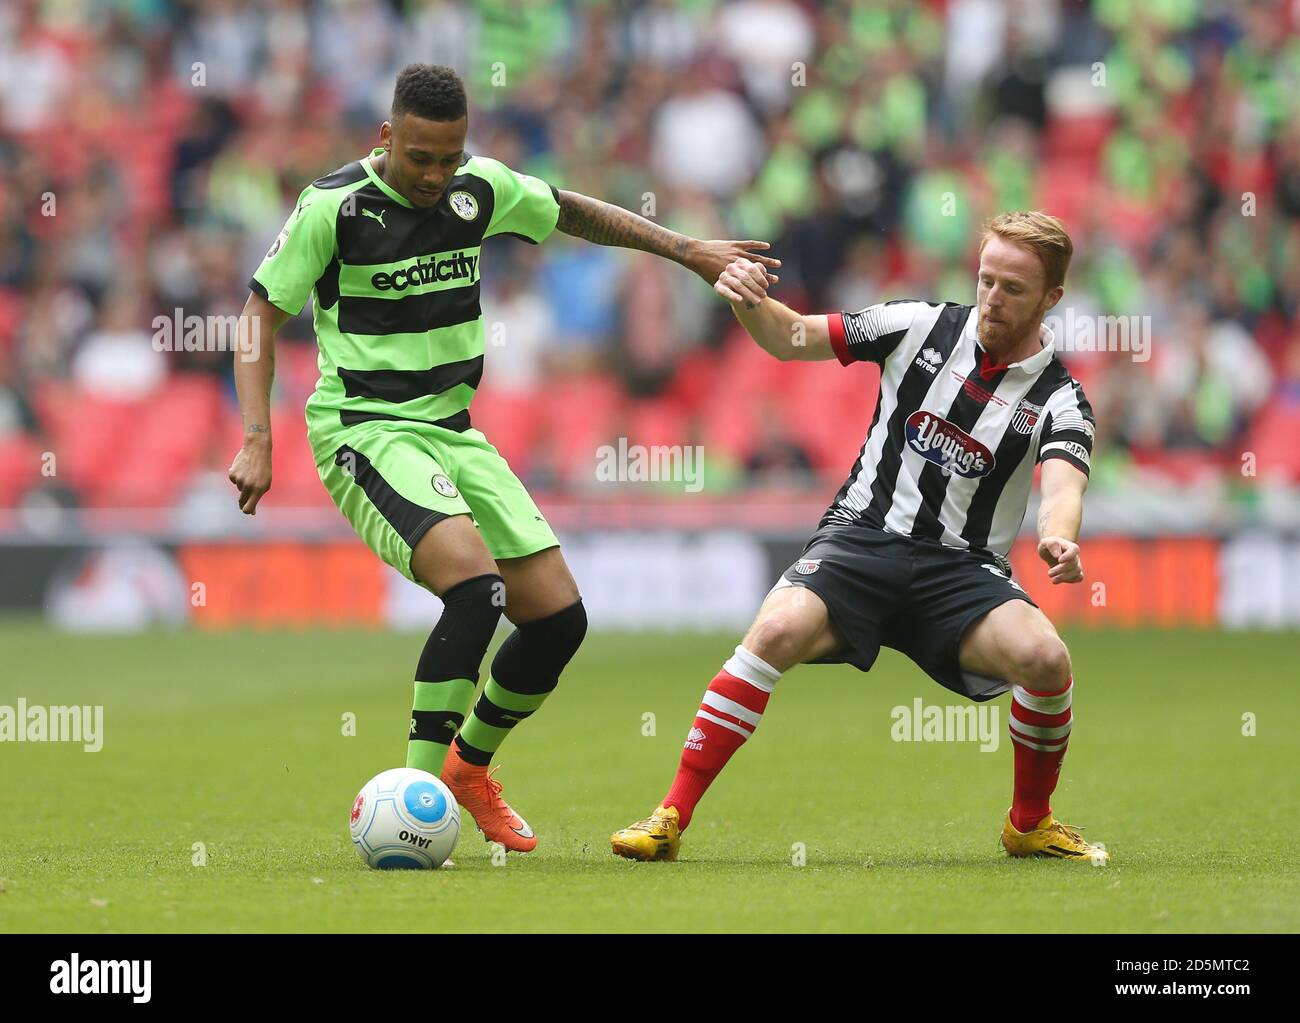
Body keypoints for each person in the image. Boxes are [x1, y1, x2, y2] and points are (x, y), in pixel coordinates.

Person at [227, 64, 779, 854]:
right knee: (477, 590)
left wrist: (689, 250)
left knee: (558, 618)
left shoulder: (476, 190)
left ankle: (464, 769)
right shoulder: (333, 208)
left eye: (447, 157)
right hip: (364, 428)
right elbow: (257, 315)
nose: (433, 174)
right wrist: (256, 435)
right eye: (418, 156)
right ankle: (416, 807)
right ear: (387, 137)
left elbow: (574, 212)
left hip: (453, 428)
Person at [611, 210, 1108, 864]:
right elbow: (791, 338)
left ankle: (1029, 822)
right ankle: (670, 814)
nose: (992, 296)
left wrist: (1059, 537)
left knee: (1047, 661)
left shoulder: (1061, 398)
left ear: (1051, 299)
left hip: (962, 571)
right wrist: (745, 296)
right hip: (864, 539)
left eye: (1013, 288)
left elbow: (1063, 485)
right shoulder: (918, 324)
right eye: (986, 278)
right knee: (773, 632)